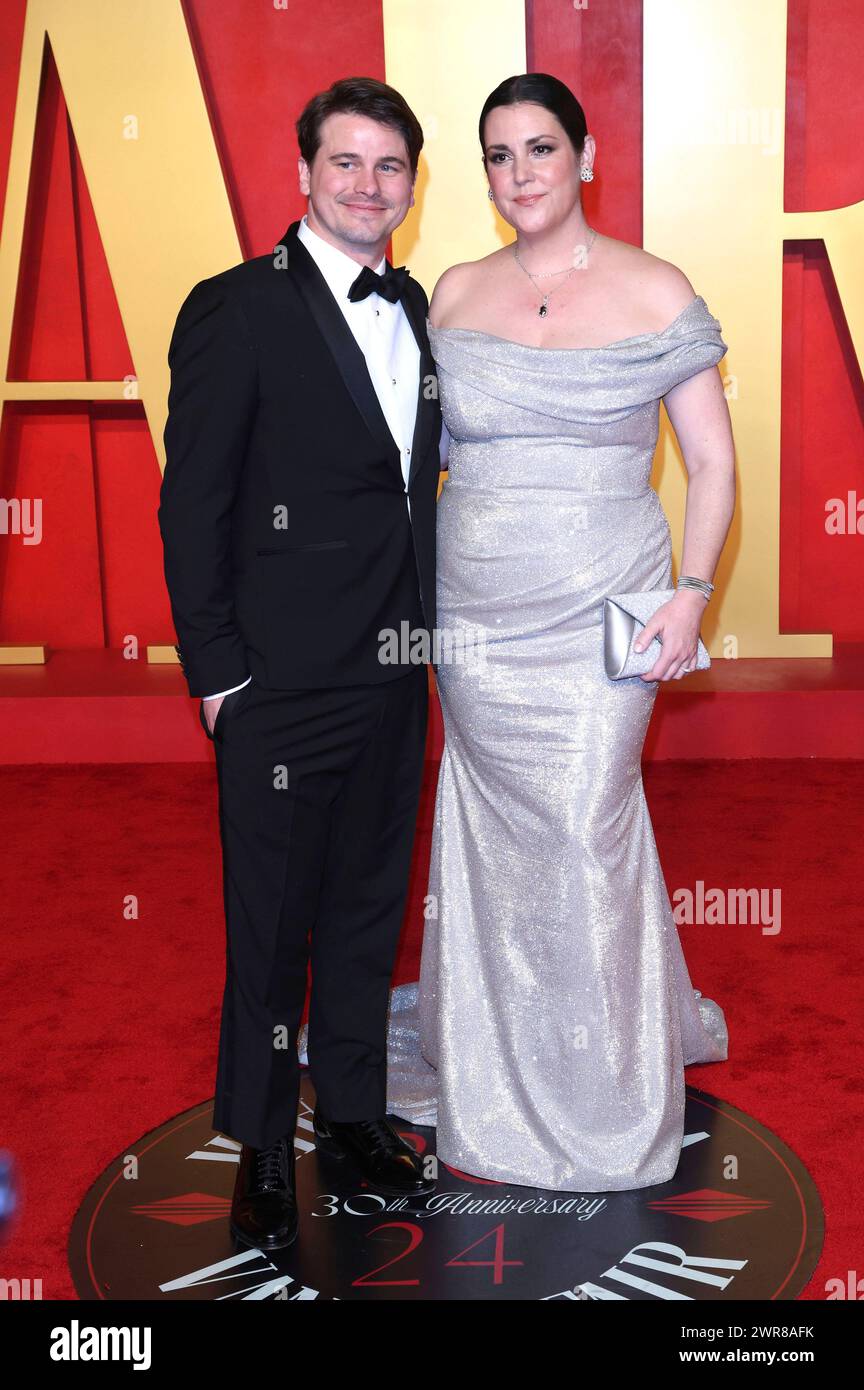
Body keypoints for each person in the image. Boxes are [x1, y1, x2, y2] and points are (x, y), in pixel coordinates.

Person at [405, 72, 735, 1191]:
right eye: (499, 156)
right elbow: (417, 463)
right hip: (478, 611)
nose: (521, 174)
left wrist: (692, 591)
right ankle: (494, 1064)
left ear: (586, 156)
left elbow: (714, 462)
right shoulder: (450, 293)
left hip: (613, 598)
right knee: (499, 837)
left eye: (541, 149)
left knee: (588, 821)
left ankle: (602, 1089)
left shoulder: (656, 289)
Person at [158, 76, 445, 1250]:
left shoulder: (418, 302)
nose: (368, 186)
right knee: (272, 928)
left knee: (370, 912)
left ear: (410, 189)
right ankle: (266, 1145)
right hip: (276, 685)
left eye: (390, 168)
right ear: (304, 175)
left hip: (393, 669)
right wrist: (219, 678)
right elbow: (193, 506)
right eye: (347, 164)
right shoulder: (236, 307)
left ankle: (361, 1114)